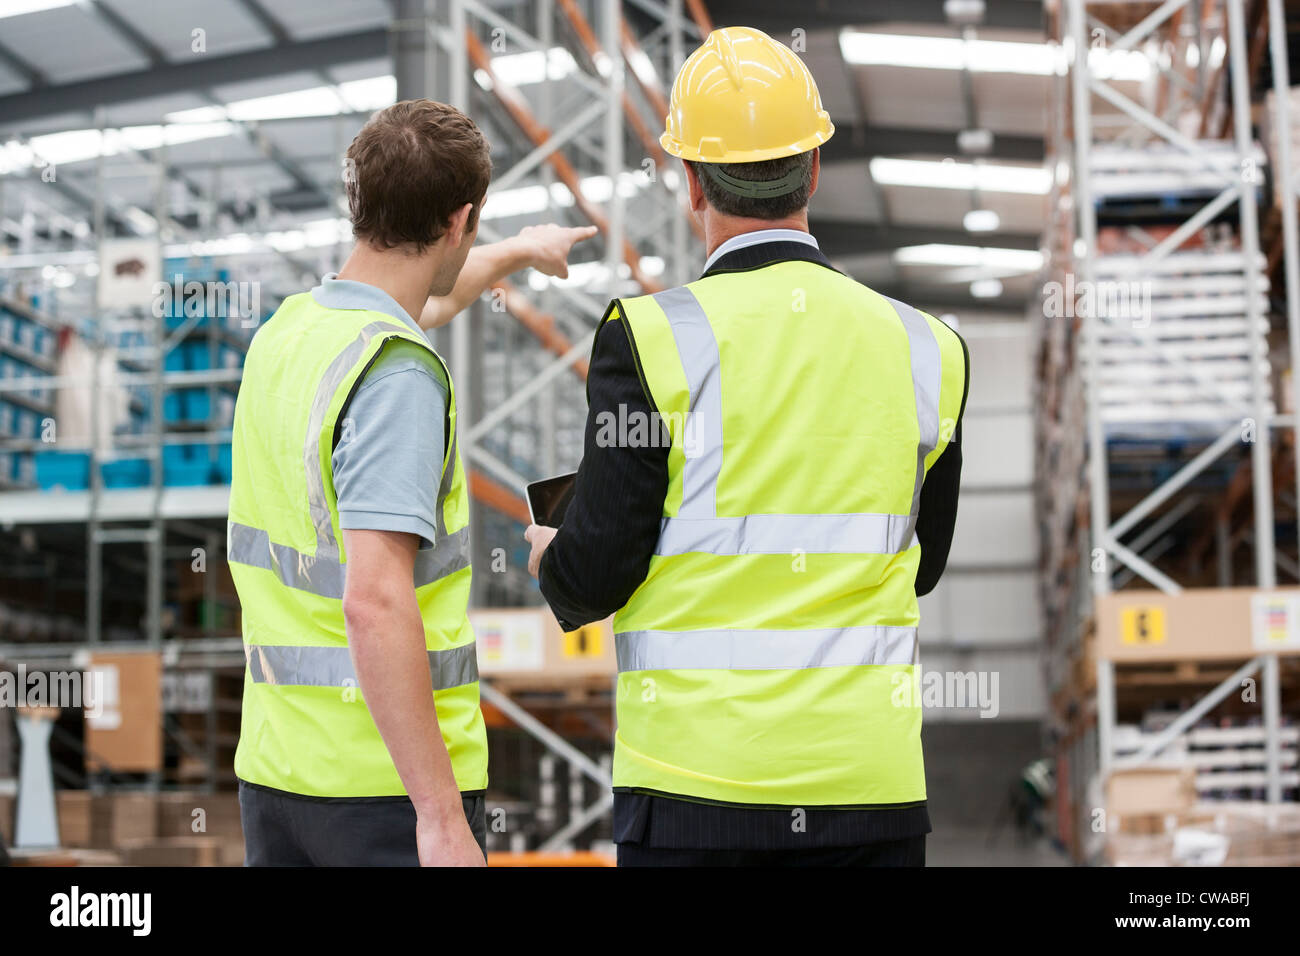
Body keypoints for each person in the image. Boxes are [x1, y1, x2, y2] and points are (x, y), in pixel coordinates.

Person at [525, 27, 969, 867]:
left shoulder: (649, 339)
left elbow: (599, 572)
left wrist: (556, 553)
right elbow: (926, 560)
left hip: (696, 791)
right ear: (813, 169)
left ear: (692, 182)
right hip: (869, 795)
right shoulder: (928, 348)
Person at [228, 99, 595, 867]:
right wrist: (437, 815)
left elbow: (429, 296)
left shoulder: (288, 334)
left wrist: (521, 251)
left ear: (360, 198)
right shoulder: (396, 373)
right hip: (386, 793)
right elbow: (375, 600)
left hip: (279, 777)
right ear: (459, 220)